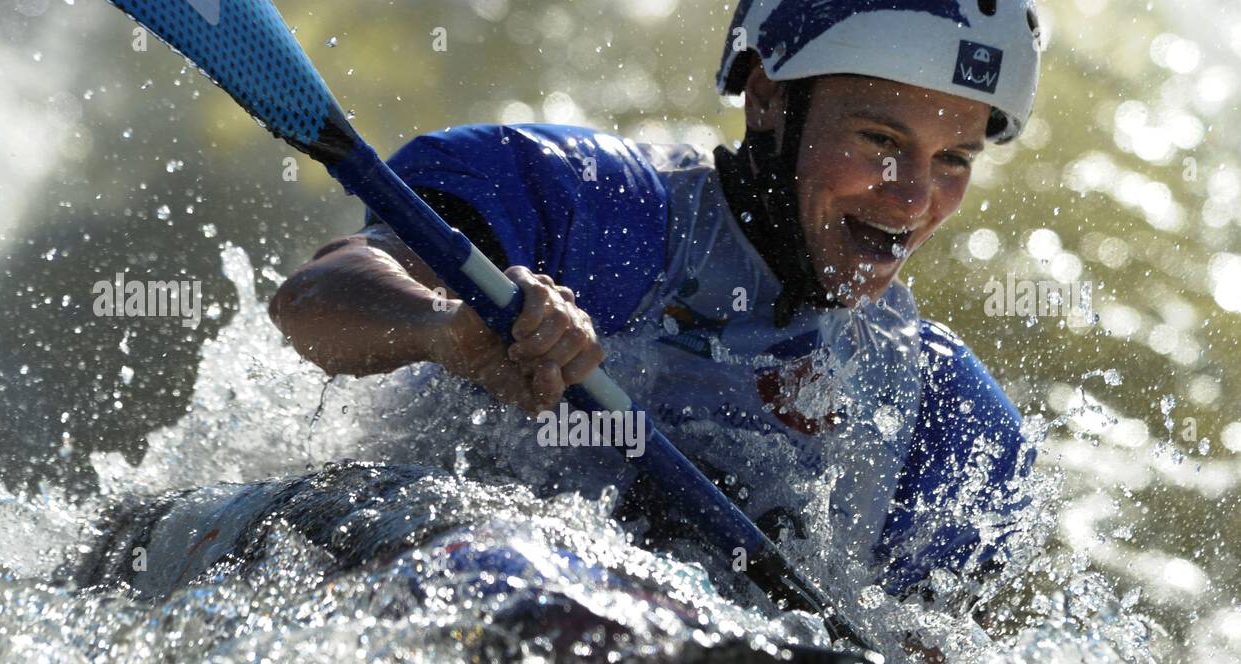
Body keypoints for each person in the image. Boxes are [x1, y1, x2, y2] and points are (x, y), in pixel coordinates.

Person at [269, 0, 1044, 608]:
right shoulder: (597, 207)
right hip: (428, 565)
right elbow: (314, 298)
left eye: (952, 160)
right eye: (881, 139)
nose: (913, 197)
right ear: (771, 98)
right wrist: (443, 332)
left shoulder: (942, 414)